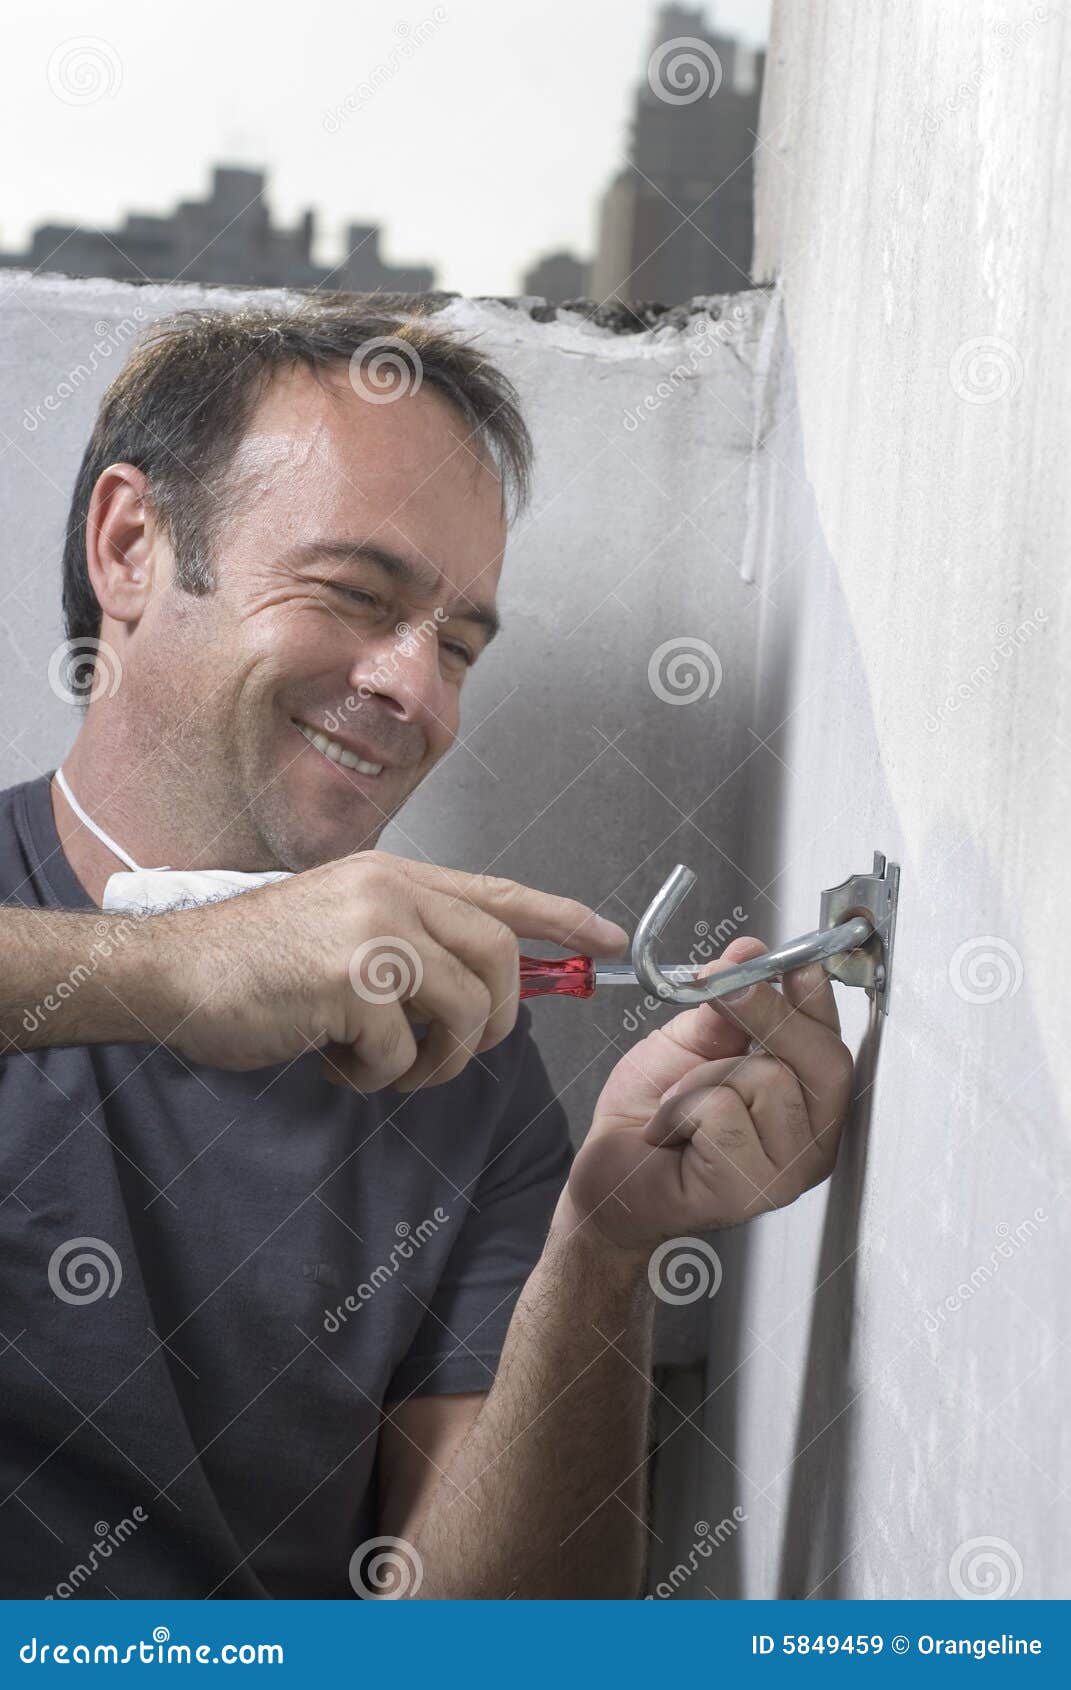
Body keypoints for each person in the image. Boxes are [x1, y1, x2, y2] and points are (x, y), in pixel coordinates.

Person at [0, 303, 854, 1599]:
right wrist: (176, 969)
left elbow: (499, 1645)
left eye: (456, 644)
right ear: (131, 547)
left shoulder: (471, 1069)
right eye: (355, 593)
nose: (421, 692)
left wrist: (603, 1246)